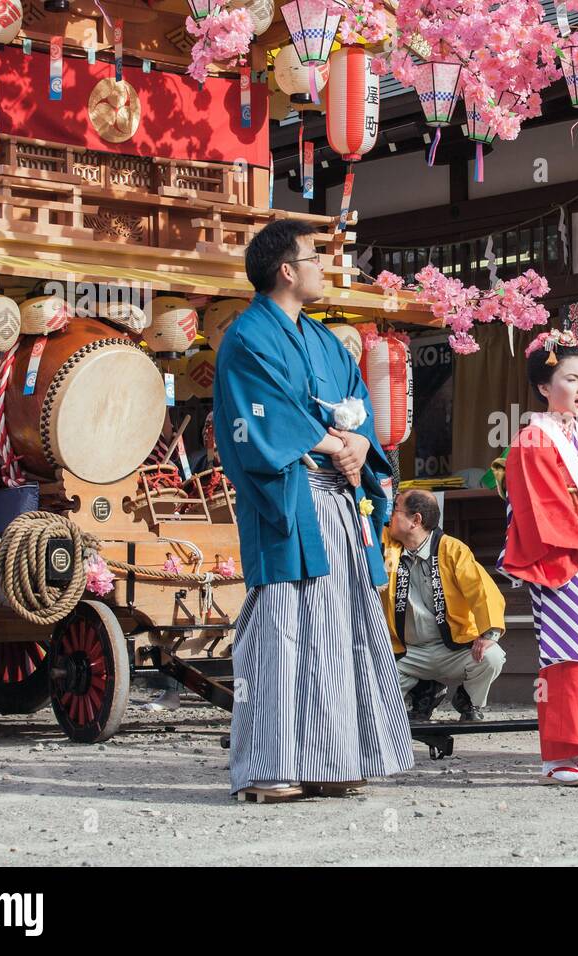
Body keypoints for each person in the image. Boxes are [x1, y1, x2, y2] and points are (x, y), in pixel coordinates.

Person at [212, 219, 413, 803]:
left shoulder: (325, 340)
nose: (321, 267)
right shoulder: (247, 337)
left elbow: (358, 404)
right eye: (313, 257)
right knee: (282, 629)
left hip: (340, 503)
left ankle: (332, 759)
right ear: (286, 270)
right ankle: (269, 767)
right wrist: (331, 443)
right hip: (289, 495)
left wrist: (357, 445)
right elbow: (257, 417)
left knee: (338, 630)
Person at [499, 328, 578, 787]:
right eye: (570, 380)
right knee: (565, 655)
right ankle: (558, 757)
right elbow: (545, 505)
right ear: (542, 387)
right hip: (561, 563)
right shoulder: (534, 438)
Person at [381, 488, 507, 722]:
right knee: (374, 696)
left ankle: (468, 700)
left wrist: (489, 633)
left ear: (415, 520)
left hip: (452, 648)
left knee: (492, 656)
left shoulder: (452, 549)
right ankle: (423, 691)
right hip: (407, 652)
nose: (389, 516)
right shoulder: (387, 544)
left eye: (395, 509)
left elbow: (482, 591)